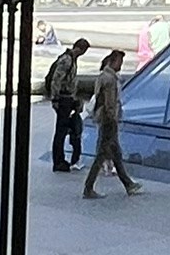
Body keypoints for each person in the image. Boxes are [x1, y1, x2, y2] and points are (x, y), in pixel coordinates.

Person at [82, 45, 138, 200]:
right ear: (114, 61)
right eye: (120, 61)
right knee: (102, 154)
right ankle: (88, 187)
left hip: (105, 119)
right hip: (109, 121)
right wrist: (113, 118)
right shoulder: (110, 79)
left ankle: (128, 184)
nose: (121, 65)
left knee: (116, 154)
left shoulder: (103, 76)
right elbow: (110, 103)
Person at [44, 37, 88, 174]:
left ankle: (61, 160)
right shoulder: (67, 60)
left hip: (66, 98)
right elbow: (57, 80)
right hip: (63, 99)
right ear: (79, 49)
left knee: (63, 130)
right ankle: (59, 161)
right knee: (61, 131)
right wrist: (55, 99)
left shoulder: (70, 59)